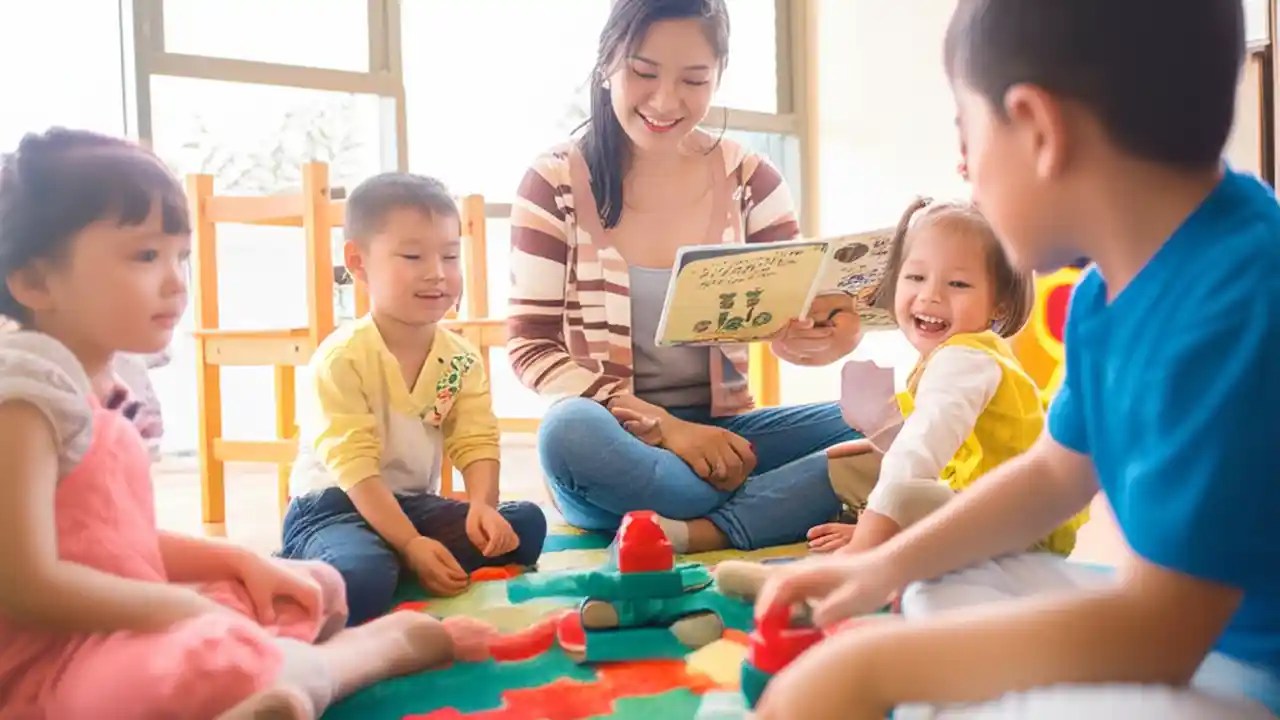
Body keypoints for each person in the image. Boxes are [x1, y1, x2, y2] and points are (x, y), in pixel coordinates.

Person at [753, 2, 1280, 719]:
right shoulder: (1106, 293)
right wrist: (881, 565)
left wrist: (875, 669)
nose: (964, 169)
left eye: (966, 137)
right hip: (1189, 628)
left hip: (1242, 664)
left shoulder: (1240, 297)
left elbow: (1162, 634)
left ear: (1038, 131)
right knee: (947, 580)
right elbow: (1054, 473)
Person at [0, 128, 492, 720]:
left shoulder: (108, 384)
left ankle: (271, 667)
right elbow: (24, 584)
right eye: (145, 256)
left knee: (315, 588)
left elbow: (112, 544)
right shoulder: (24, 392)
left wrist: (239, 563)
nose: (177, 281)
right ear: (33, 281)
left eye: (180, 255)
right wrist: (185, 613)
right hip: (44, 662)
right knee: (209, 655)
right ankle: (351, 660)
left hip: (118, 618)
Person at [507, 0, 862, 549]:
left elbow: (788, 326)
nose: (665, 100)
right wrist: (669, 431)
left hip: (727, 441)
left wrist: (825, 336)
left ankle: (695, 523)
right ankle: (766, 505)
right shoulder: (553, 181)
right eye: (643, 73)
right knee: (566, 432)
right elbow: (531, 348)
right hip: (615, 441)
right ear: (607, 65)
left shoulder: (751, 181)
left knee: (886, 418)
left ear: (718, 76)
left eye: (693, 79)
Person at [672, 197, 1088, 556]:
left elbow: (919, 456)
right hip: (984, 507)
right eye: (916, 277)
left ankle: (708, 532)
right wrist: (881, 429)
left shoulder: (965, 359)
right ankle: (716, 528)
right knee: (849, 461)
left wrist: (868, 539)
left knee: (889, 477)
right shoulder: (951, 355)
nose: (930, 296)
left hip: (1012, 528)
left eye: (958, 283)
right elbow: (946, 450)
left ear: (998, 304)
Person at [281, 173, 547, 626]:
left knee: (522, 525)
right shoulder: (342, 358)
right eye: (412, 256)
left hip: (409, 503)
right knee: (362, 579)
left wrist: (482, 505)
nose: (437, 273)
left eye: (449, 256)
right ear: (358, 262)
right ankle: (360, 563)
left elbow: (476, 437)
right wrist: (410, 543)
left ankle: (397, 561)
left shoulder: (459, 358)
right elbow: (357, 469)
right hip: (333, 505)